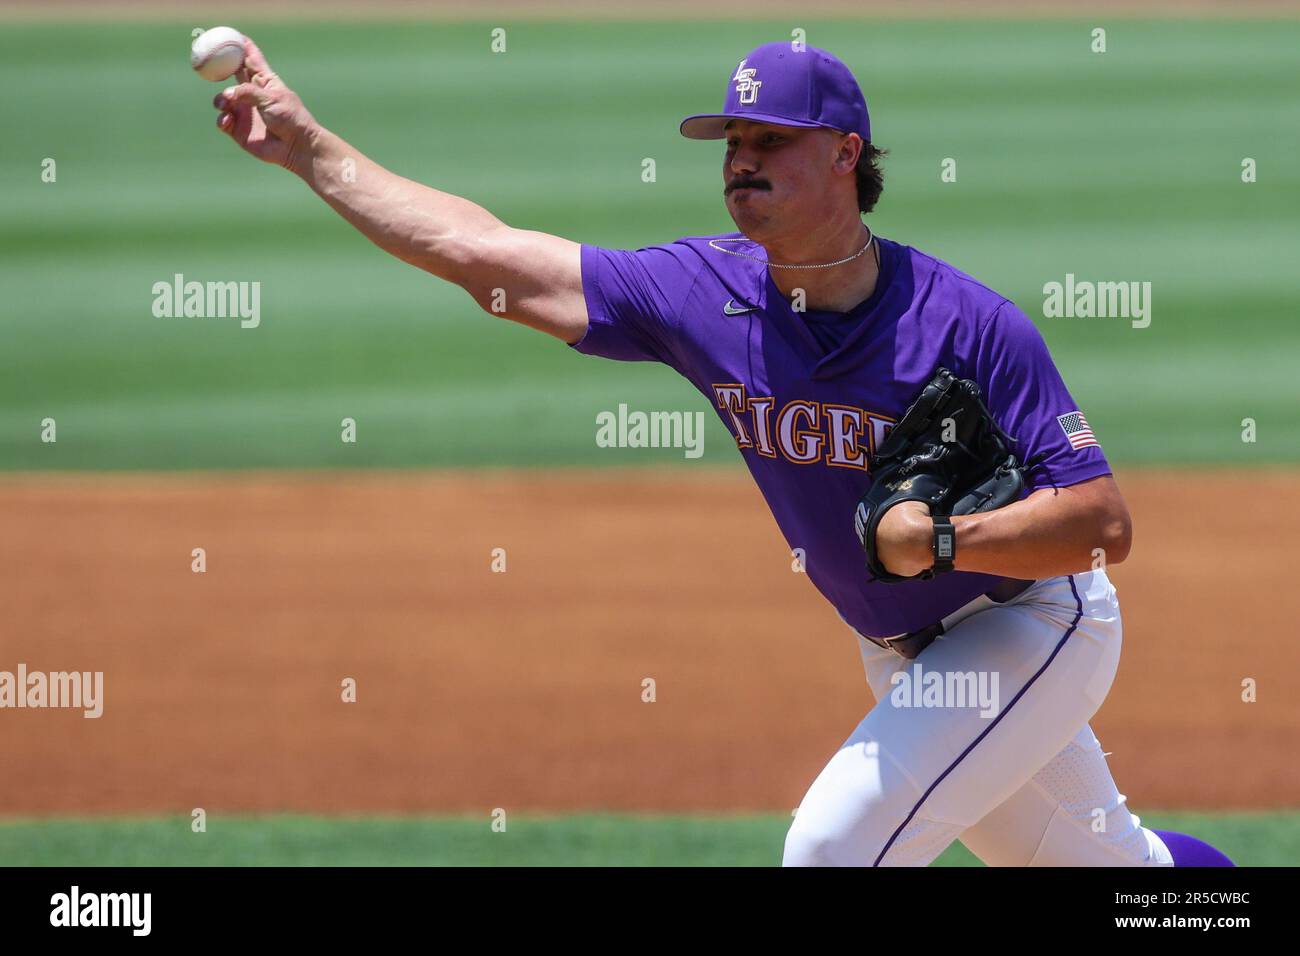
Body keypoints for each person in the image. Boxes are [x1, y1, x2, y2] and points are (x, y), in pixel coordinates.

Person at [212, 37, 1233, 867]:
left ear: (844, 153)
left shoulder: (968, 323)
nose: (740, 158)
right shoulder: (701, 292)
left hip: (1029, 625)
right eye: (730, 139)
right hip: (898, 652)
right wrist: (310, 150)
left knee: (832, 848)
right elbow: (485, 255)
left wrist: (948, 537)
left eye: (770, 139)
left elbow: (1102, 524)